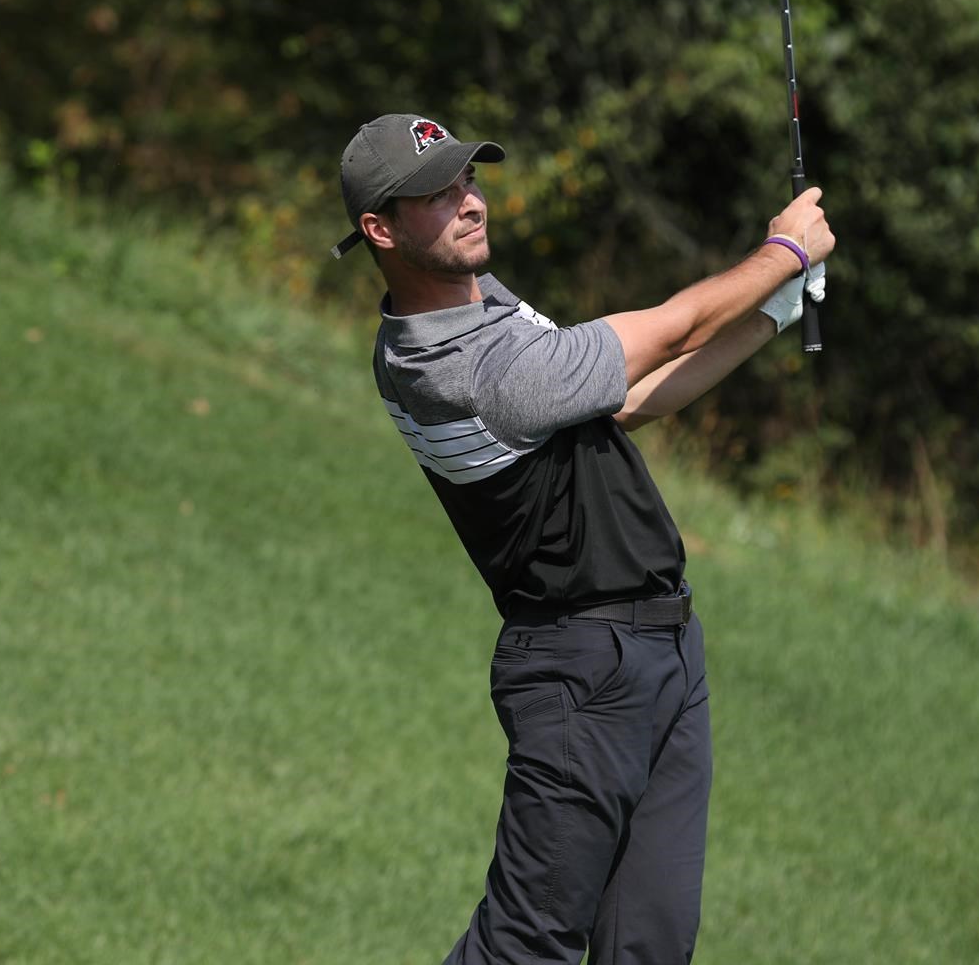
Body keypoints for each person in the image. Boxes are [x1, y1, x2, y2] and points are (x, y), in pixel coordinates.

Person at [333, 113, 832, 964]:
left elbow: (633, 398)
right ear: (379, 229)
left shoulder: (478, 306)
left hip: (665, 648)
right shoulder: (464, 372)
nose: (470, 203)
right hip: (581, 670)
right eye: (435, 194)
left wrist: (772, 315)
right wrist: (783, 255)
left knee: (649, 944)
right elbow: (669, 328)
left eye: (467, 179)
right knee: (527, 946)